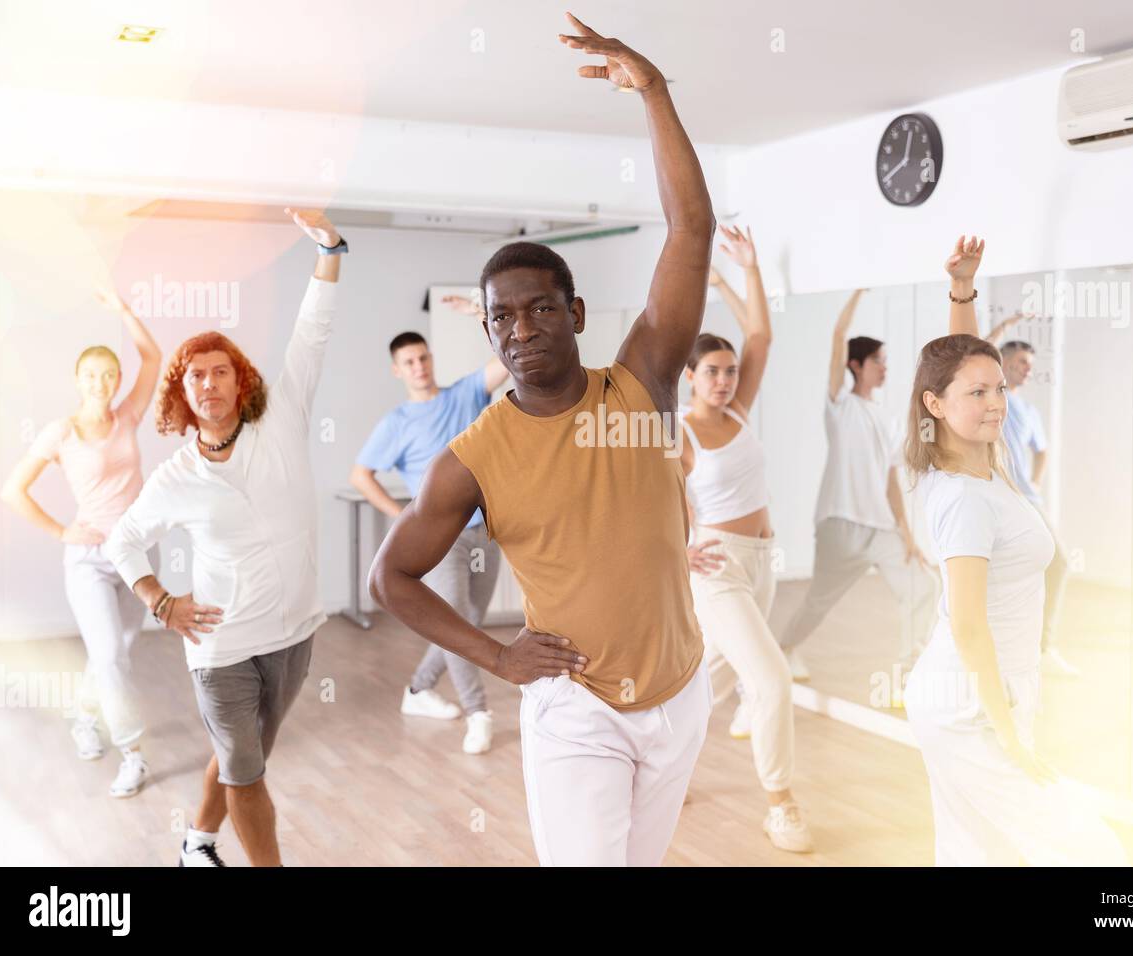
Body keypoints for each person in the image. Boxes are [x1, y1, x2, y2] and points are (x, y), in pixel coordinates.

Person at [368, 13, 715, 866]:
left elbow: (691, 232)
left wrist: (654, 91)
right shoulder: (473, 458)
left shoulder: (642, 383)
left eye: (539, 308)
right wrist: (495, 654)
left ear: (575, 314)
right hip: (577, 705)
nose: (521, 328)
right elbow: (391, 576)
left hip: (679, 692)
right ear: (488, 337)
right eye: (502, 318)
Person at [103, 208, 346, 866]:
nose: (208, 382)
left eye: (219, 370)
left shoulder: (284, 418)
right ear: (181, 394)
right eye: (194, 375)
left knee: (244, 753)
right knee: (246, 768)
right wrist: (162, 602)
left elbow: (312, 330)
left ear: (242, 380)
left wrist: (329, 246)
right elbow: (120, 543)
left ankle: (197, 841)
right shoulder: (176, 476)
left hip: (295, 631)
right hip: (221, 644)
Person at [901, 236, 1126, 865]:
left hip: (984, 693)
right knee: (1088, 851)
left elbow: (961, 364)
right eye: (978, 396)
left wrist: (963, 291)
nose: (995, 401)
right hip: (969, 704)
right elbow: (969, 625)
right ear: (935, 406)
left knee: (978, 851)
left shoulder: (982, 463)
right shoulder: (967, 497)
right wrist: (1009, 736)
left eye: (998, 389)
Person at [0, 287, 162, 798]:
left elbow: (153, 357)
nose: (101, 383)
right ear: (77, 380)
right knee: (110, 655)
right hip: (89, 560)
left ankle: (84, 716)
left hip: (137, 553)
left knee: (118, 652)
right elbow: (12, 491)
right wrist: (63, 531)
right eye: (91, 375)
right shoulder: (61, 432)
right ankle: (132, 753)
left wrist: (124, 311)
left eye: (109, 374)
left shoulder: (128, 415)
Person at [680, 225, 810, 852]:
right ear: (690, 376)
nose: (726, 380)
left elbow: (761, 334)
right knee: (772, 681)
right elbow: (653, 503)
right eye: (712, 372)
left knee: (708, 683)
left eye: (731, 372)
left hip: (762, 562)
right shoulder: (681, 432)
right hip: (716, 568)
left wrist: (751, 268)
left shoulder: (736, 412)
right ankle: (781, 804)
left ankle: (649, 761)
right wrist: (677, 551)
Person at [350, 298, 510, 754]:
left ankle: (419, 690)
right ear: (397, 370)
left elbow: (507, 358)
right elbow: (360, 475)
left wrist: (482, 316)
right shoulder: (396, 423)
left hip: (486, 528)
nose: (418, 366)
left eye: (423, 357)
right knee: (459, 623)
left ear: (430, 360)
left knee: (467, 623)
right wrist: (402, 517)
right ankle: (479, 713)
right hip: (439, 541)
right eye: (409, 362)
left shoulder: (465, 394)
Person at [779, 287, 938, 695]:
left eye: (886, 362)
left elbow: (890, 480)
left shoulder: (884, 418)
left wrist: (906, 533)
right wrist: (858, 289)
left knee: (923, 587)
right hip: (840, 525)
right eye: (878, 362)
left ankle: (907, 673)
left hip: (880, 527)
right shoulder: (839, 406)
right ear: (857, 365)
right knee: (819, 601)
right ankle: (784, 650)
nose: (885, 369)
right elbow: (837, 337)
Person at [983, 322, 1080, 679]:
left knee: (1058, 562)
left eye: (1030, 364)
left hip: (1025, 500)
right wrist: (1005, 326)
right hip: (991, 499)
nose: (1027, 370)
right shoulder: (992, 397)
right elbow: (979, 351)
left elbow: (1043, 450)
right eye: (1022, 362)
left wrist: (1034, 483)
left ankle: (1042, 649)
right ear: (1003, 362)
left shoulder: (1030, 411)